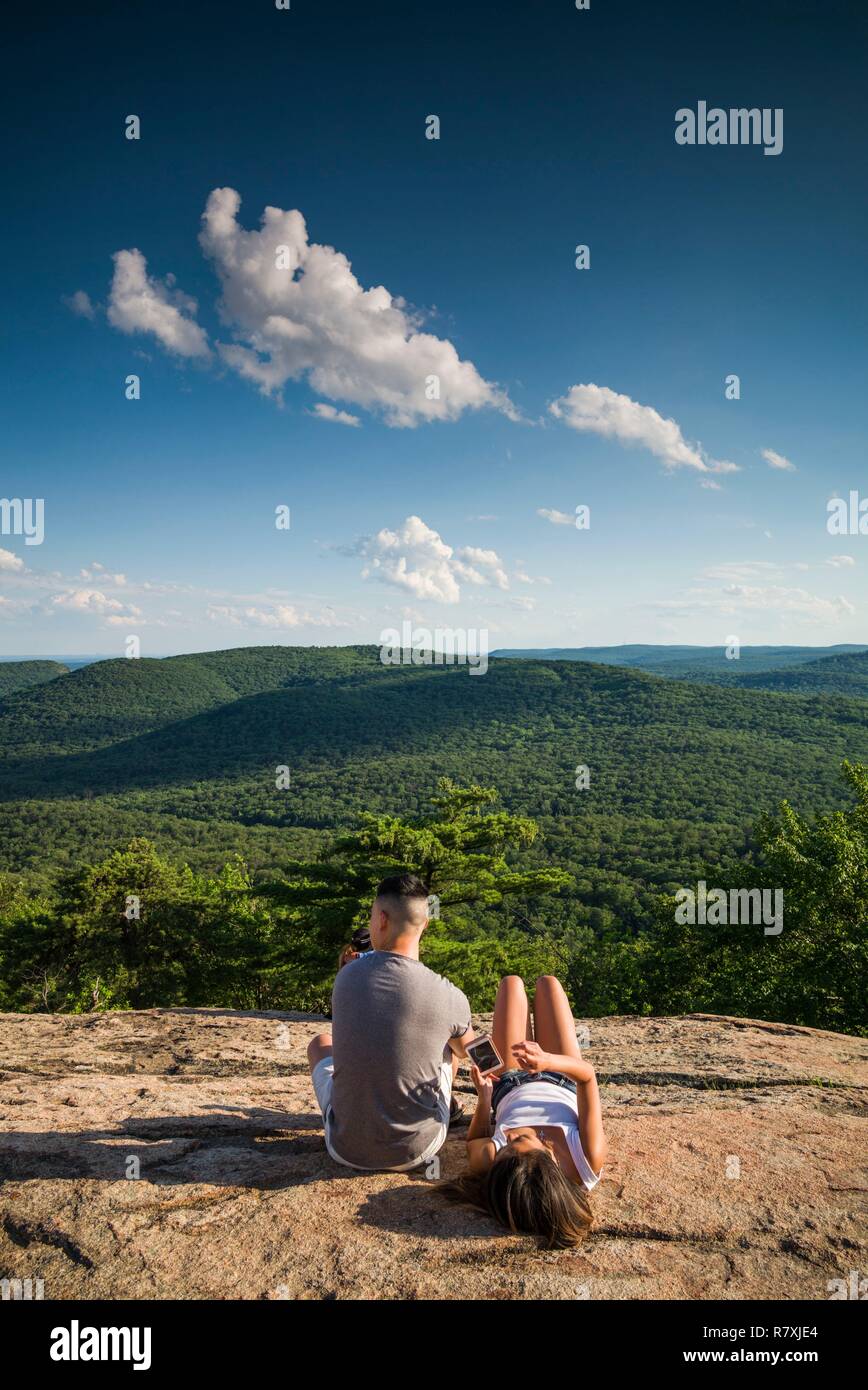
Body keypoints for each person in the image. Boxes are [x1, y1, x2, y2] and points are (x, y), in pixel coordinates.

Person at [307, 873, 474, 1171]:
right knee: (447, 1048)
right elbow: (466, 1051)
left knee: (320, 1044)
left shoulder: (346, 976)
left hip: (344, 1149)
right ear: (425, 923)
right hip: (418, 1151)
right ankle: (444, 1107)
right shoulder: (448, 994)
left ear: (381, 919)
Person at [441, 974, 607, 1248]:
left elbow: (474, 1142)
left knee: (511, 984)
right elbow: (587, 1076)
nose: (506, 1137)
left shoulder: (497, 1165)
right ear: (547, 1159)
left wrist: (484, 1100)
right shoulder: (585, 1160)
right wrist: (547, 1061)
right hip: (563, 1076)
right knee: (549, 984)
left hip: (508, 1082)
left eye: (503, 1146)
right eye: (518, 1141)